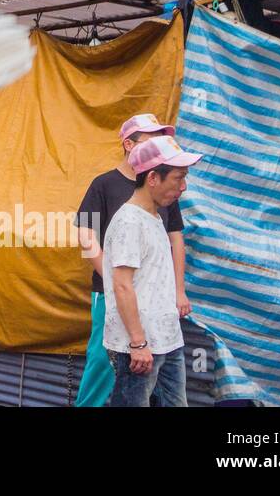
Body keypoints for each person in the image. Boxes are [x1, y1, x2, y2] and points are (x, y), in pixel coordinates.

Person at [73, 113, 189, 407]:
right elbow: (84, 235)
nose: (160, 144)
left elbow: (175, 238)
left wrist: (178, 291)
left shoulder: (166, 191)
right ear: (128, 144)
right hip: (111, 291)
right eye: (152, 139)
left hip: (155, 298)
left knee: (153, 374)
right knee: (103, 361)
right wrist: (114, 282)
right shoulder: (103, 184)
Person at [103, 135, 200, 407]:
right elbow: (122, 284)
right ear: (153, 178)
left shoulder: (154, 216)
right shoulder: (129, 221)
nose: (183, 187)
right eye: (178, 178)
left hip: (166, 337)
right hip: (140, 345)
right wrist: (137, 343)